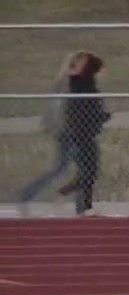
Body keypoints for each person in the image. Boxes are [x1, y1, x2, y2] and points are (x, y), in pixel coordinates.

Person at [16, 53, 79, 214]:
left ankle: (67, 197)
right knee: (66, 168)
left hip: (68, 131)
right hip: (67, 132)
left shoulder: (67, 82)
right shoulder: (69, 83)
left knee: (70, 167)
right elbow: (62, 111)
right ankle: (28, 194)